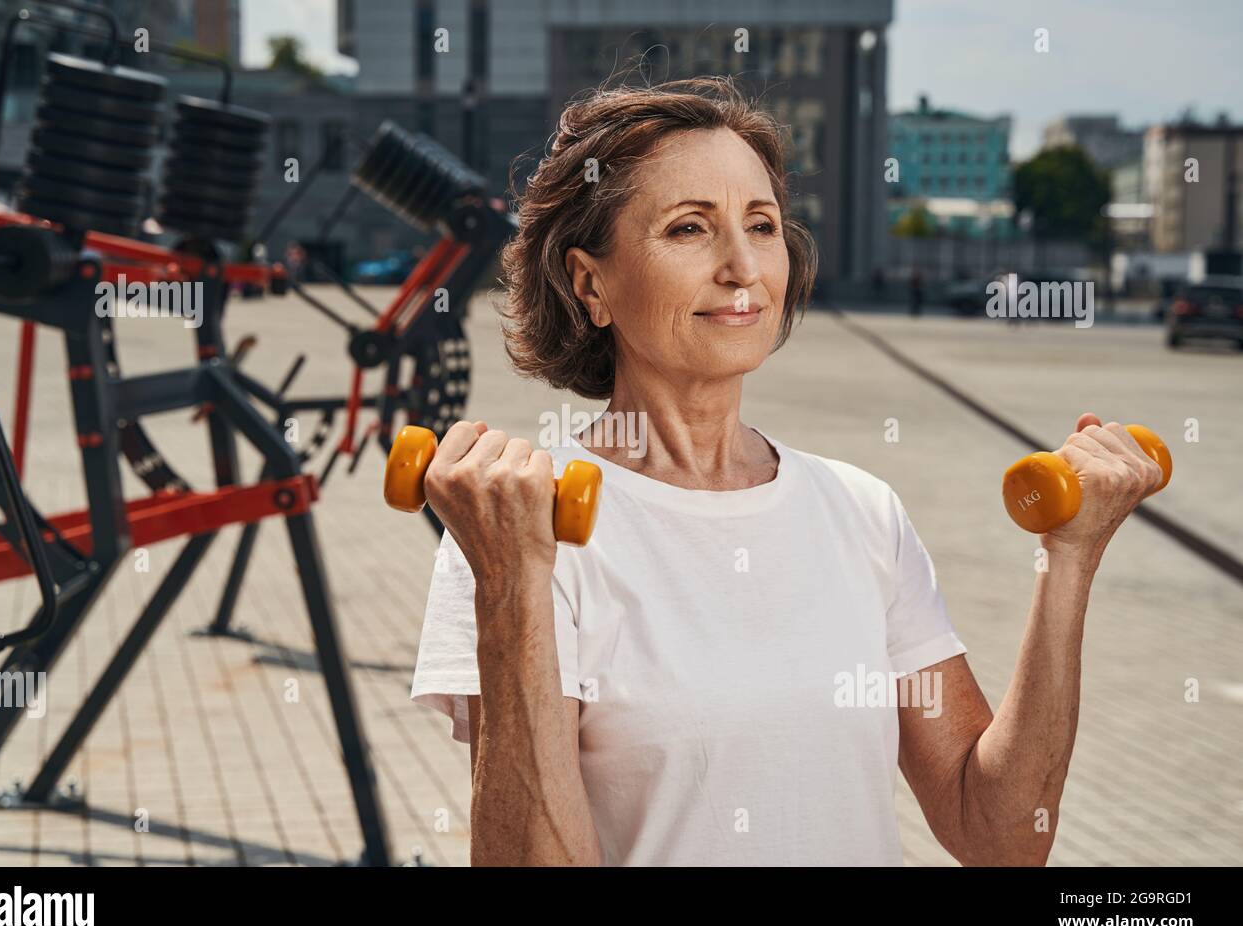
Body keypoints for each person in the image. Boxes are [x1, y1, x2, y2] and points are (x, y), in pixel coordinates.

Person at [408, 76, 1165, 866]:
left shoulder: (863, 512)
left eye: (762, 225)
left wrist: (1069, 560)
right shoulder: (520, 530)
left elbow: (1001, 837)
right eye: (690, 228)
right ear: (591, 283)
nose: (743, 267)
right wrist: (511, 584)